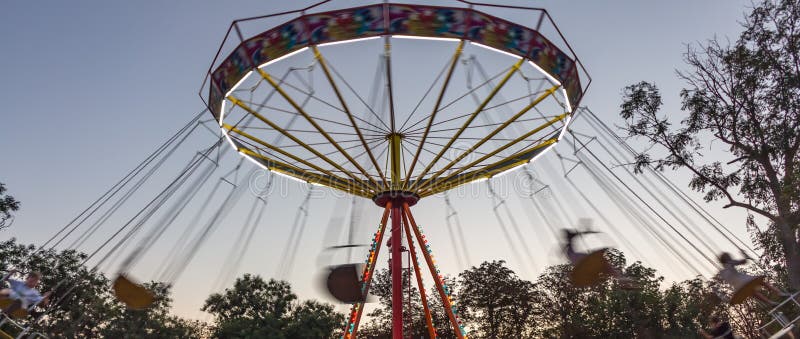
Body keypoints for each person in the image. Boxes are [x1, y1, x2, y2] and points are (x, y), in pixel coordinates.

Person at [562, 225, 638, 289]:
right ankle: (620, 279)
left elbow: (580, 234)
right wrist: (592, 231)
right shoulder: (568, 246)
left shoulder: (568, 245)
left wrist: (592, 231)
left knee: (602, 264)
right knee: (603, 263)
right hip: (581, 260)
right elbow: (581, 233)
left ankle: (621, 280)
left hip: (580, 261)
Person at [717, 251, 787, 305]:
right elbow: (743, 262)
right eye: (729, 256)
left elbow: (729, 279)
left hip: (738, 287)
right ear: (727, 258)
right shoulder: (729, 262)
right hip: (742, 280)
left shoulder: (722, 272)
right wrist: (745, 256)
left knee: (752, 292)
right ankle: (778, 292)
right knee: (760, 281)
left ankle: (769, 302)